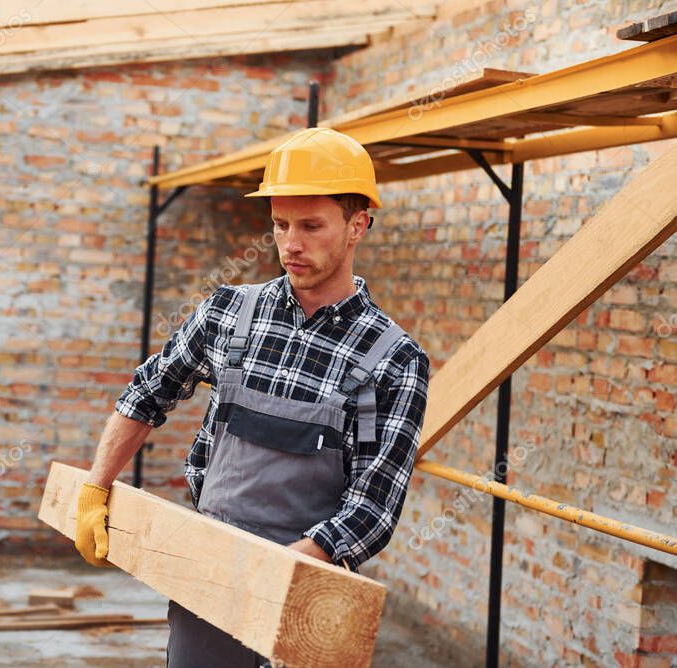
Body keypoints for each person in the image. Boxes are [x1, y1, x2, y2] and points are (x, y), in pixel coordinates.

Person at [74, 127, 430, 667]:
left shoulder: (393, 359)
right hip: (208, 577)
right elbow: (147, 394)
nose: (291, 244)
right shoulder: (228, 313)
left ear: (358, 225)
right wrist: (95, 488)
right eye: (281, 224)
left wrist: (272, 578)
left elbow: (373, 504)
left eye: (311, 226)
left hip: (306, 595)